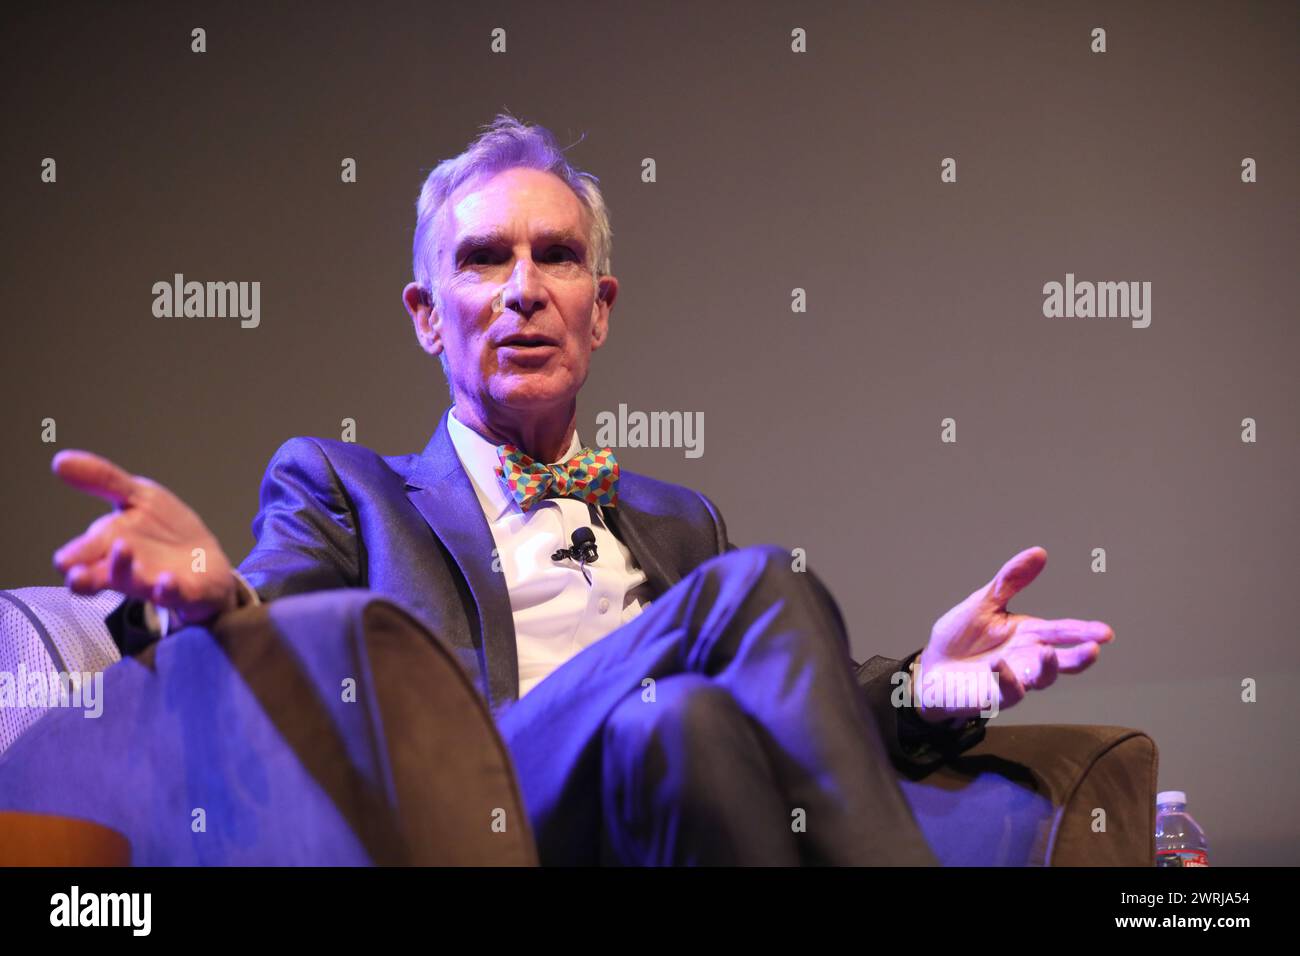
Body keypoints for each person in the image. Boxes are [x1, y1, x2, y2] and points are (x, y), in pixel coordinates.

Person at [38, 114, 1114, 865]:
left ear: (598, 308)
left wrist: (928, 682)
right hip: (465, 804)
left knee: (683, 721)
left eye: (554, 258)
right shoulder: (340, 481)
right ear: (426, 313)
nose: (519, 291)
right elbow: (281, 636)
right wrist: (208, 592)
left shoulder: (674, 517)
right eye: (482, 260)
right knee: (751, 589)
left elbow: (798, 710)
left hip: (642, 807)